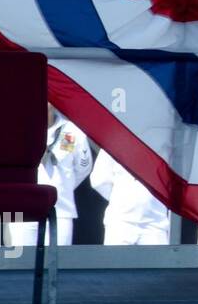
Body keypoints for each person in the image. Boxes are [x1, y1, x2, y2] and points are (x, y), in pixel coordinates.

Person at [14, 105, 93, 247]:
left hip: (61, 210)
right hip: (23, 210)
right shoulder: (18, 129)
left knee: (58, 262)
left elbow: (83, 168)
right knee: (22, 263)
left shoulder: (72, 131)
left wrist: (64, 187)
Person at [89, 150, 170, 245]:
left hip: (155, 223)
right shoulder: (113, 139)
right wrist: (119, 199)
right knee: (115, 259)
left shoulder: (165, 138)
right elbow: (99, 180)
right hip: (121, 222)